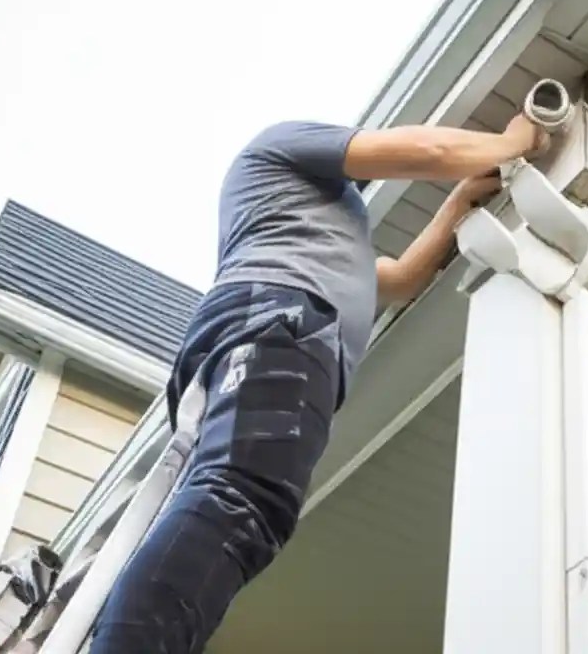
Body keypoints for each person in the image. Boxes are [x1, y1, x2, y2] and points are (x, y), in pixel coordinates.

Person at [89, 113, 549, 653]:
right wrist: (515, 139)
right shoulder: (283, 144)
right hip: (274, 318)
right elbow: (429, 151)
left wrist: (459, 203)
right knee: (239, 493)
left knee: (243, 510)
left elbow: (398, 279)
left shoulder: (316, 231)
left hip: (265, 327)